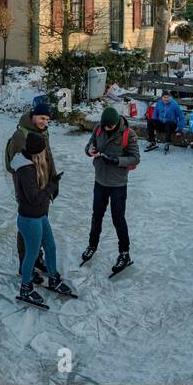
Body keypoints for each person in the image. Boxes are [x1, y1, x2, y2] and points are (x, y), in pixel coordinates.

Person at [12, 132, 70, 307]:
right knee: (31, 253)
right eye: (43, 152)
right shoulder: (26, 169)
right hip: (29, 219)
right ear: (37, 153)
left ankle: (53, 278)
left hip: (40, 216)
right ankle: (26, 287)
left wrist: (51, 181)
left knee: (50, 246)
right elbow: (34, 198)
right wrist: (53, 185)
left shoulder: (31, 165)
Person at [82, 105, 140, 274]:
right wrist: (89, 150)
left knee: (118, 219)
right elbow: (89, 145)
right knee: (97, 216)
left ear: (116, 123)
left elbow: (135, 158)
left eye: (110, 126)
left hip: (118, 184)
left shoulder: (129, 135)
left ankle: (124, 253)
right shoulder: (98, 128)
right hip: (100, 180)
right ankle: (92, 245)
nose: (106, 128)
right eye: (104, 125)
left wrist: (116, 160)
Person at [4, 101, 54, 282]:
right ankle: (25, 263)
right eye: (42, 118)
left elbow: (47, 158)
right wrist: (28, 189)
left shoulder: (43, 132)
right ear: (33, 116)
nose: (45, 122)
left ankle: (36, 258)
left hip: (44, 188)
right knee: (27, 228)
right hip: (29, 192)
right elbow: (14, 165)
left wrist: (51, 181)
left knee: (40, 227)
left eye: (47, 119)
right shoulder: (20, 136)